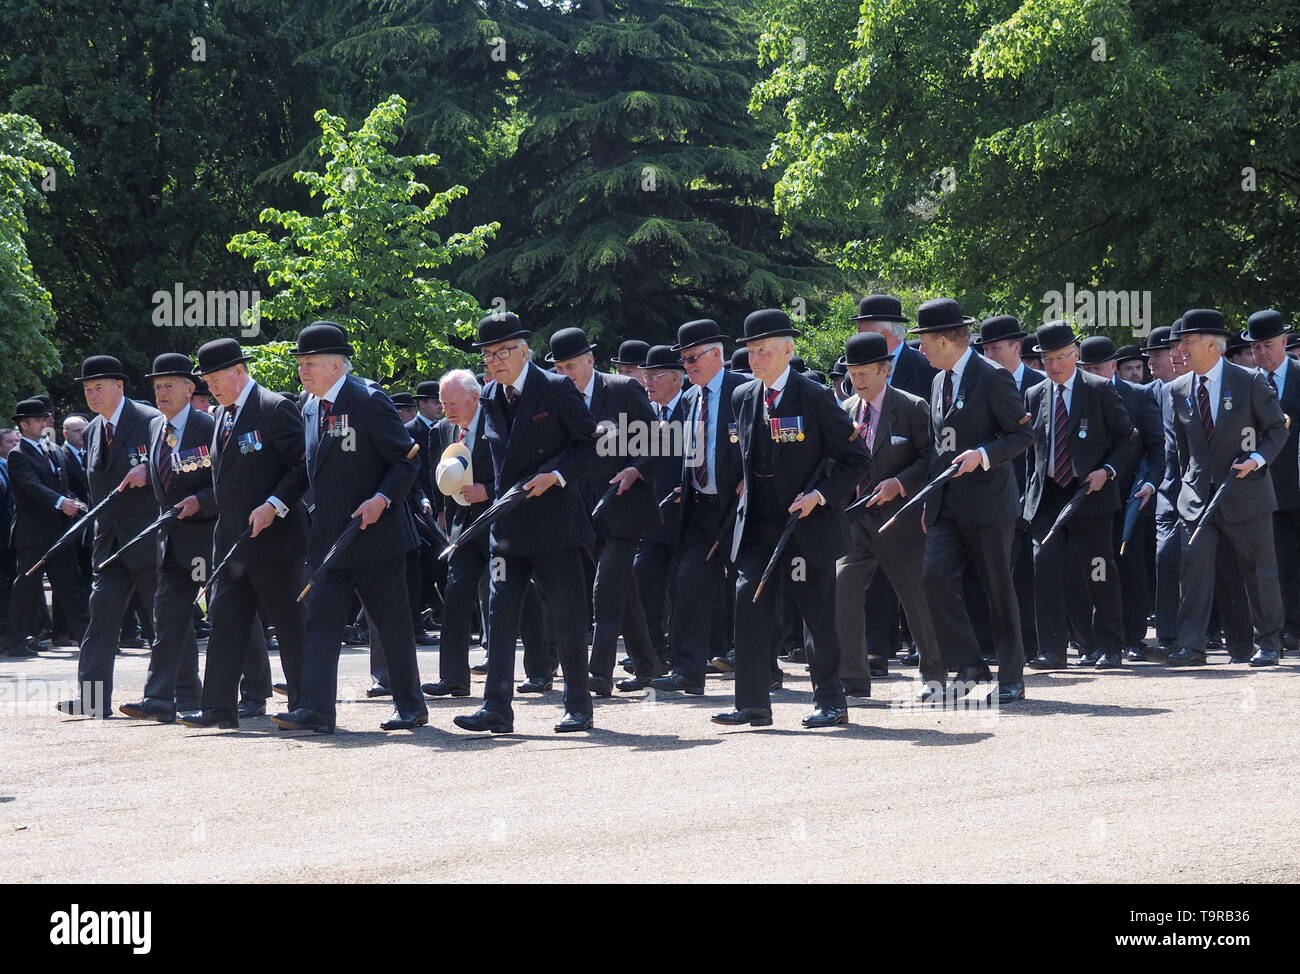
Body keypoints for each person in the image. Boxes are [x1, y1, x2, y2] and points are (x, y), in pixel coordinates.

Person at [713, 309, 868, 728]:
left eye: (763, 350)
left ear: (787, 349)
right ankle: (752, 703)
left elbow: (856, 460)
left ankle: (831, 701)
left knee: (815, 613)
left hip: (804, 526)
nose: (755, 359)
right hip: (758, 525)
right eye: (750, 351)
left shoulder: (814, 396)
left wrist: (820, 494)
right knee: (748, 605)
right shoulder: (743, 396)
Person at [273, 322, 427, 734]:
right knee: (320, 621)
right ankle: (317, 710)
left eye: (311, 363)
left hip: (375, 537)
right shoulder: (309, 406)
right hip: (329, 540)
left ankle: (411, 706)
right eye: (301, 364)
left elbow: (407, 459)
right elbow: (312, 470)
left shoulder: (368, 400)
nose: (303, 371)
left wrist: (382, 499)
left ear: (337, 365)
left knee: (390, 625)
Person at [452, 312, 598, 735]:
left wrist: (556, 476)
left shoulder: (555, 388)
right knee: (499, 616)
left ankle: (578, 704)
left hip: (555, 524)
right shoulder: (491, 396)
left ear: (524, 350)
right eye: (487, 355)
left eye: (502, 352)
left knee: (568, 617)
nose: (494, 362)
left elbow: (588, 447)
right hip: (509, 525)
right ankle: (496, 707)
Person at [177, 338, 308, 730]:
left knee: (289, 623)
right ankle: (218, 708)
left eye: (218, 378)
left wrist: (274, 504)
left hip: (276, 537)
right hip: (232, 539)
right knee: (226, 622)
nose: (212, 387)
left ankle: (306, 704)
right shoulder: (222, 415)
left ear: (240, 371)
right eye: (207, 381)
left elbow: (301, 468)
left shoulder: (274, 408)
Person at [913, 298, 1032, 704]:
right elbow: (935, 448)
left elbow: (1021, 437)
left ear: (945, 340)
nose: (921, 350)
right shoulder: (937, 381)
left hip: (988, 504)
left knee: (998, 587)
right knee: (933, 577)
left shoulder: (993, 377)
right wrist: (930, 504)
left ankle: (1011, 673)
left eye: (925, 341)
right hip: (947, 505)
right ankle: (969, 662)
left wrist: (982, 455)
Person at [546, 327, 664, 694]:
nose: (566, 374)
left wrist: (636, 469)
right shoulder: (557, 399)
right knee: (622, 590)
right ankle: (648, 665)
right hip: (583, 509)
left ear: (590, 360)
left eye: (571, 365)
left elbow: (658, 440)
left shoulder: (622, 389)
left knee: (606, 586)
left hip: (625, 505)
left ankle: (598, 672)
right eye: (559, 367)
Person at [1166, 309, 1287, 667]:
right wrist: (1185, 485)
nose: (1181, 349)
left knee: (1259, 570)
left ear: (1211, 345)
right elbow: (1183, 447)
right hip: (1198, 497)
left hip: (1245, 492)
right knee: (1194, 570)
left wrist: (1257, 460)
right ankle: (1192, 646)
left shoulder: (1248, 381)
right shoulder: (1178, 389)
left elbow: (1276, 430)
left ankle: (1268, 642)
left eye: (1187, 342)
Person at [1022, 323, 1137, 670]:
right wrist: (1028, 496)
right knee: (1045, 567)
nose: (1054, 365)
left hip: (1089, 491)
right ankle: (1053, 649)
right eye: (1047, 359)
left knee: (1098, 568)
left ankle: (1110, 645)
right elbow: (1034, 451)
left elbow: (1127, 437)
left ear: (1075, 355)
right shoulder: (1035, 394)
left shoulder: (1098, 389)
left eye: (1060, 357)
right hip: (1048, 494)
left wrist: (1108, 471)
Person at [833, 332, 942, 696]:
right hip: (855, 519)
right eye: (853, 373)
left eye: (865, 372)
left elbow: (931, 459)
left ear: (885, 370)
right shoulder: (844, 411)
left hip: (901, 519)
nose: (858, 380)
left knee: (916, 596)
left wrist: (899, 483)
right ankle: (853, 677)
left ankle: (935, 676)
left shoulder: (912, 407)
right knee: (842, 587)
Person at [55, 356, 163, 718]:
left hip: (148, 538)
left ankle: (176, 694)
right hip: (111, 544)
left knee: (161, 622)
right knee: (100, 621)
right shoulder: (94, 430)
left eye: (99, 387)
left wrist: (152, 469)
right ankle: (92, 699)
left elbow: (181, 463)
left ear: (120, 386)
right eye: (87, 389)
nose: (92, 395)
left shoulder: (151, 421)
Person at [649, 319, 747, 698]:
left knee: (747, 586)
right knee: (690, 585)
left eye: (693, 358)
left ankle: (763, 666)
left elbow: (768, 442)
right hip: (699, 507)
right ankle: (688, 671)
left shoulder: (744, 391)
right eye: (684, 360)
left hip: (739, 506)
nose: (687, 366)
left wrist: (751, 479)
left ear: (717, 355)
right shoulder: (690, 398)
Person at [118, 353, 214, 722]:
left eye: (169, 385)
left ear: (190, 390)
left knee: (230, 614)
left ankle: (253, 691)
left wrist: (202, 501)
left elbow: (229, 482)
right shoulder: (158, 430)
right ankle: (163, 697)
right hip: (171, 542)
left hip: (208, 538)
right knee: (168, 620)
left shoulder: (209, 427)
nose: (162, 393)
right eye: (157, 387)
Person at [421, 369, 494, 697]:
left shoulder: (497, 423)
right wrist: (444, 519)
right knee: (455, 594)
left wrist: (489, 490)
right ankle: (453, 677)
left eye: (453, 402)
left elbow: (517, 468)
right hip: (462, 527)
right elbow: (442, 476)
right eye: (442, 402)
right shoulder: (443, 429)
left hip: (497, 520)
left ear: (474, 398)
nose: (447, 408)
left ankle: (539, 667)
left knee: (516, 595)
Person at [6, 400, 88, 658]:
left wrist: (74, 500)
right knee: (26, 587)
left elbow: (62, 484)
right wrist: (61, 502)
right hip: (34, 534)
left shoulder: (52, 449)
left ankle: (87, 638)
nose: (45, 423)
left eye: (45, 418)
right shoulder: (18, 454)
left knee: (69, 584)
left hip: (59, 531)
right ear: (24, 424)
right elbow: (32, 487)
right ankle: (15, 640)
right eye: (38, 419)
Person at [1242, 310, 1300, 655]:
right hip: (1264, 486)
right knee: (1274, 561)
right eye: (1256, 347)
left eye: (1268, 345)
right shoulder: (1247, 382)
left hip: (1297, 479)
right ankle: (1283, 629)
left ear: (1283, 342)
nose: (1262, 352)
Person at [633, 345, 689, 678]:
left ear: (675, 378)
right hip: (652, 514)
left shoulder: (694, 406)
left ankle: (685, 657)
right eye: (645, 377)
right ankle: (650, 658)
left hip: (686, 513)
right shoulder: (646, 412)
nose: (648, 383)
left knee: (685, 588)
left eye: (654, 377)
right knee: (643, 583)